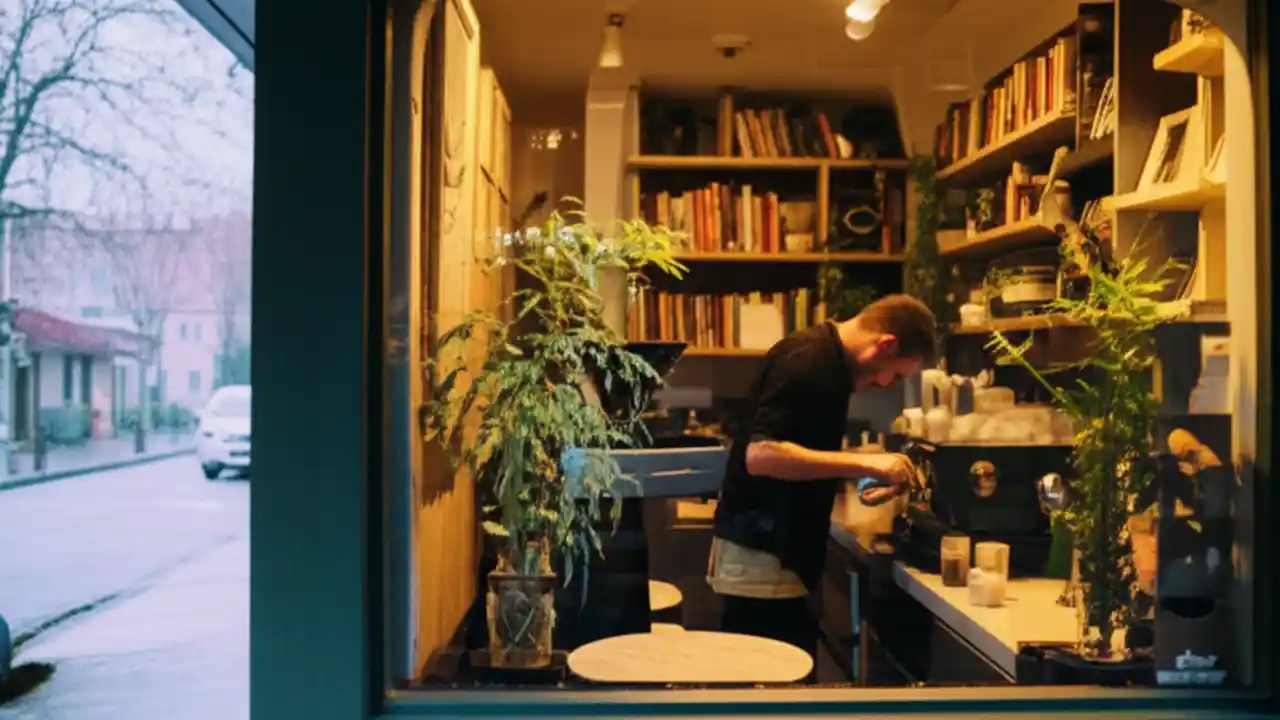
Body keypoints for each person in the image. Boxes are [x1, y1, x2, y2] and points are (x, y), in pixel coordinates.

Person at [707, 293, 936, 674]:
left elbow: (797, 449)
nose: (885, 383)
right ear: (886, 344)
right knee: (771, 692)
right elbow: (761, 456)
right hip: (763, 556)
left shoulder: (827, 361)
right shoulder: (809, 362)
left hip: (772, 556)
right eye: (895, 375)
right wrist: (865, 463)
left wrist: (863, 470)